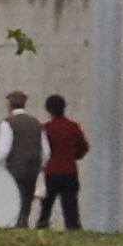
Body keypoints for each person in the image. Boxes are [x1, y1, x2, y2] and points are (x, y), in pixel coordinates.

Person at [37, 94, 88, 232]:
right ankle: (73, 228)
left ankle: (43, 225)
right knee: (70, 205)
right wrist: (74, 156)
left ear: (49, 110)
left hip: (51, 171)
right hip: (69, 170)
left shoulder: (46, 128)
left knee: (46, 205)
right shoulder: (73, 127)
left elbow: (41, 150)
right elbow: (84, 147)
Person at [0, 88, 46, 226]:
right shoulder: (36, 123)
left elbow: (4, 149)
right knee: (28, 196)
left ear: (10, 105)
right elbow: (46, 150)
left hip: (16, 164)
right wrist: (41, 165)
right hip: (34, 165)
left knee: (16, 195)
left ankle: (18, 223)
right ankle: (24, 221)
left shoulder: (8, 123)